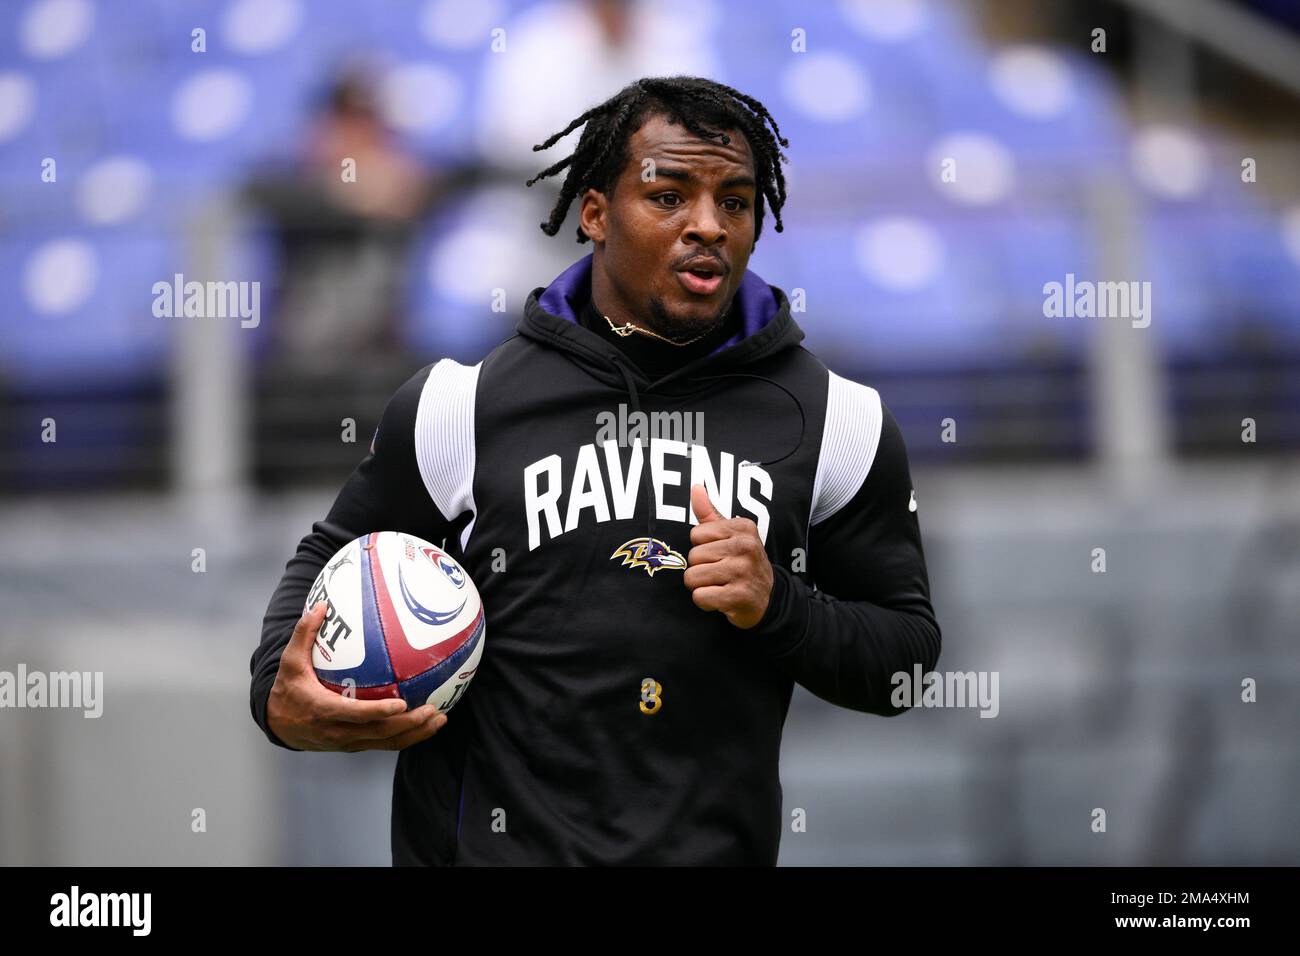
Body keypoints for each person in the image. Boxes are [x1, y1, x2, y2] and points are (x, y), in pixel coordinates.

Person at [249, 75, 942, 866]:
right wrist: (278, 689)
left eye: (737, 202)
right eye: (669, 195)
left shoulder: (838, 420)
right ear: (595, 214)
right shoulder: (459, 405)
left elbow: (905, 662)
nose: (708, 226)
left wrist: (779, 604)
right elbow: (327, 554)